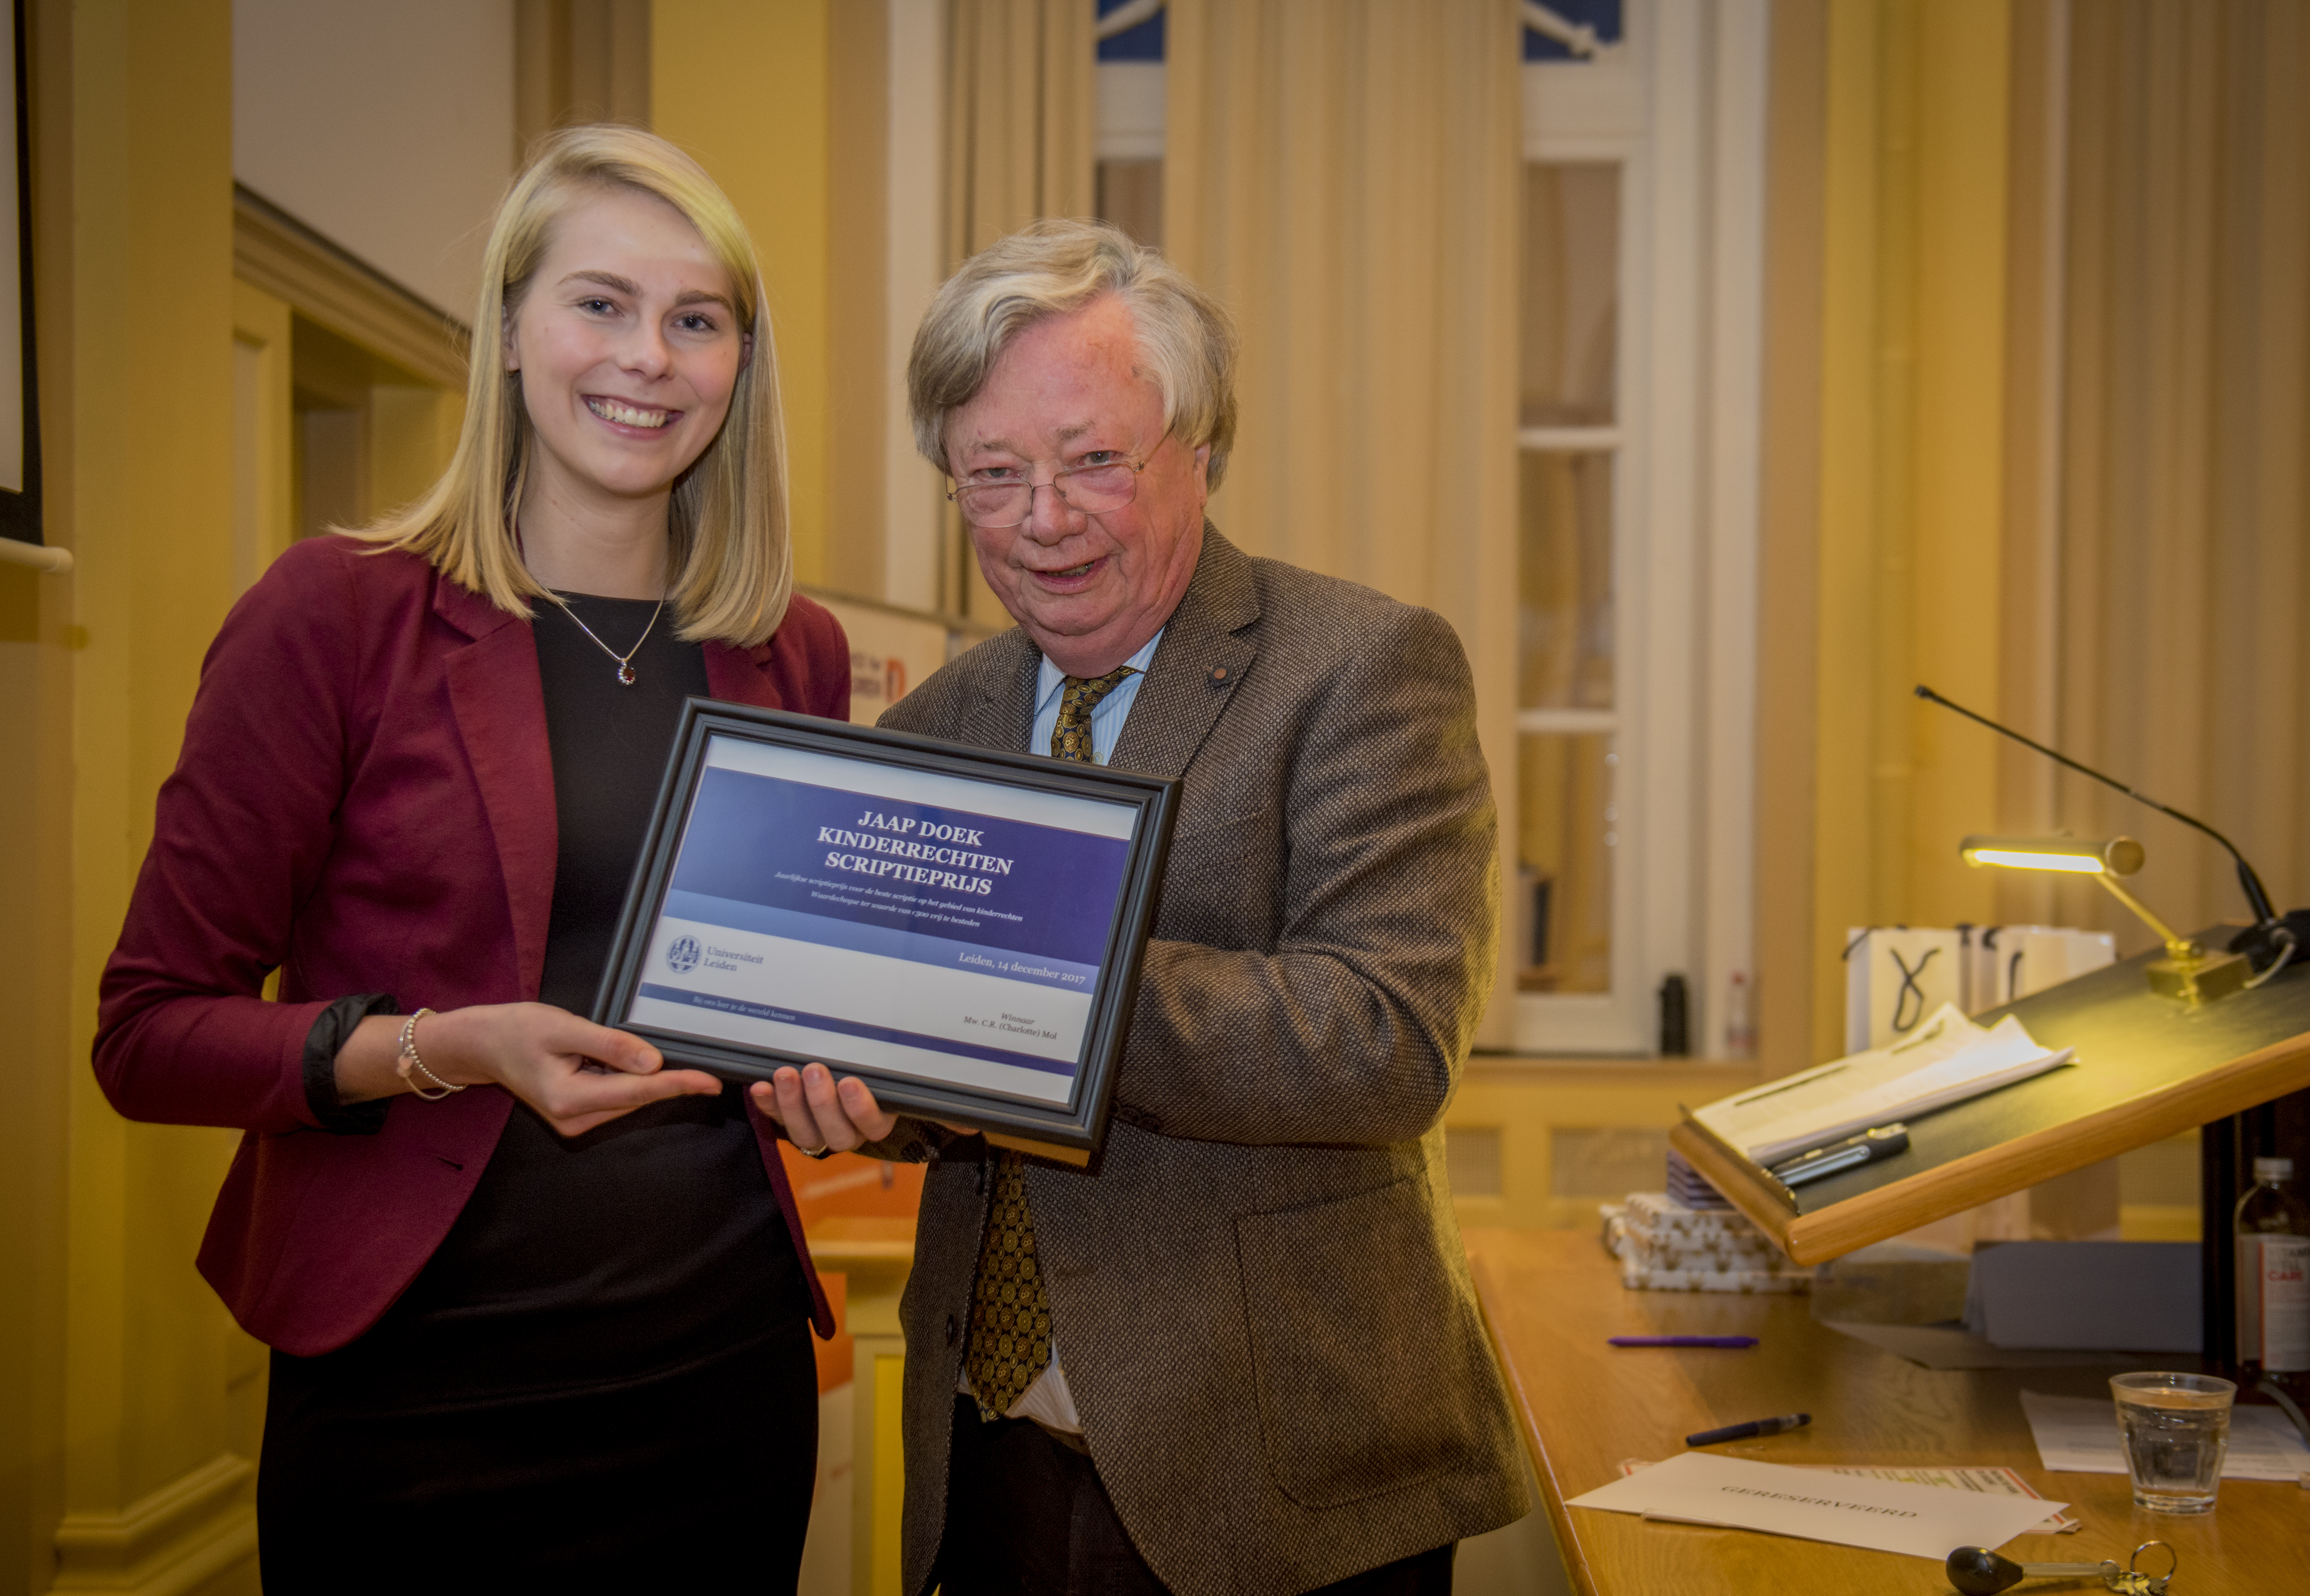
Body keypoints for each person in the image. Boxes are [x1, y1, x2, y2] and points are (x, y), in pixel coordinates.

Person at [95, 126, 845, 1590]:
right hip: (419, 1389)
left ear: (738, 368)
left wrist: (845, 1086)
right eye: (599, 304)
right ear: (509, 330)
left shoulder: (785, 651)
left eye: (696, 321)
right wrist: (442, 1048)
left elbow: (786, 992)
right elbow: (147, 1034)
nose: (646, 356)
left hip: (716, 1368)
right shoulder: (334, 614)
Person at [752, 220, 1525, 1595]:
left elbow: (1383, 1038)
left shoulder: (1360, 665)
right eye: (993, 477)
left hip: (1277, 1467)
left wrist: (1033, 990)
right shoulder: (939, 721)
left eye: (1093, 461)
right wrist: (871, 1090)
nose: (1043, 520)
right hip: (987, 1455)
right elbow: (940, 1062)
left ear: (1203, 451)